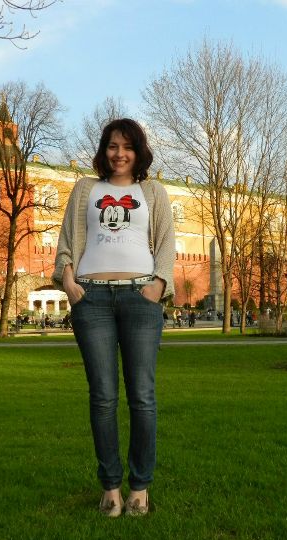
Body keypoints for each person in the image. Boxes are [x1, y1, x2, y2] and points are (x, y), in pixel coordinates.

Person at [52, 118, 175, 517]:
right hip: (92, 299)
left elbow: (167, 242)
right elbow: (67, 240)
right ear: (104, 151)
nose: (119, 154)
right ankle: (110, 487)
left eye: (127, 147)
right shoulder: (85, 189)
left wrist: (158, 285)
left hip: (141, 297)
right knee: (103, 396)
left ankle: (140, 486)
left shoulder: (152, 191)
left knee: (142, 396)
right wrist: (69, 281)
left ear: (139, 152)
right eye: (112, 146)